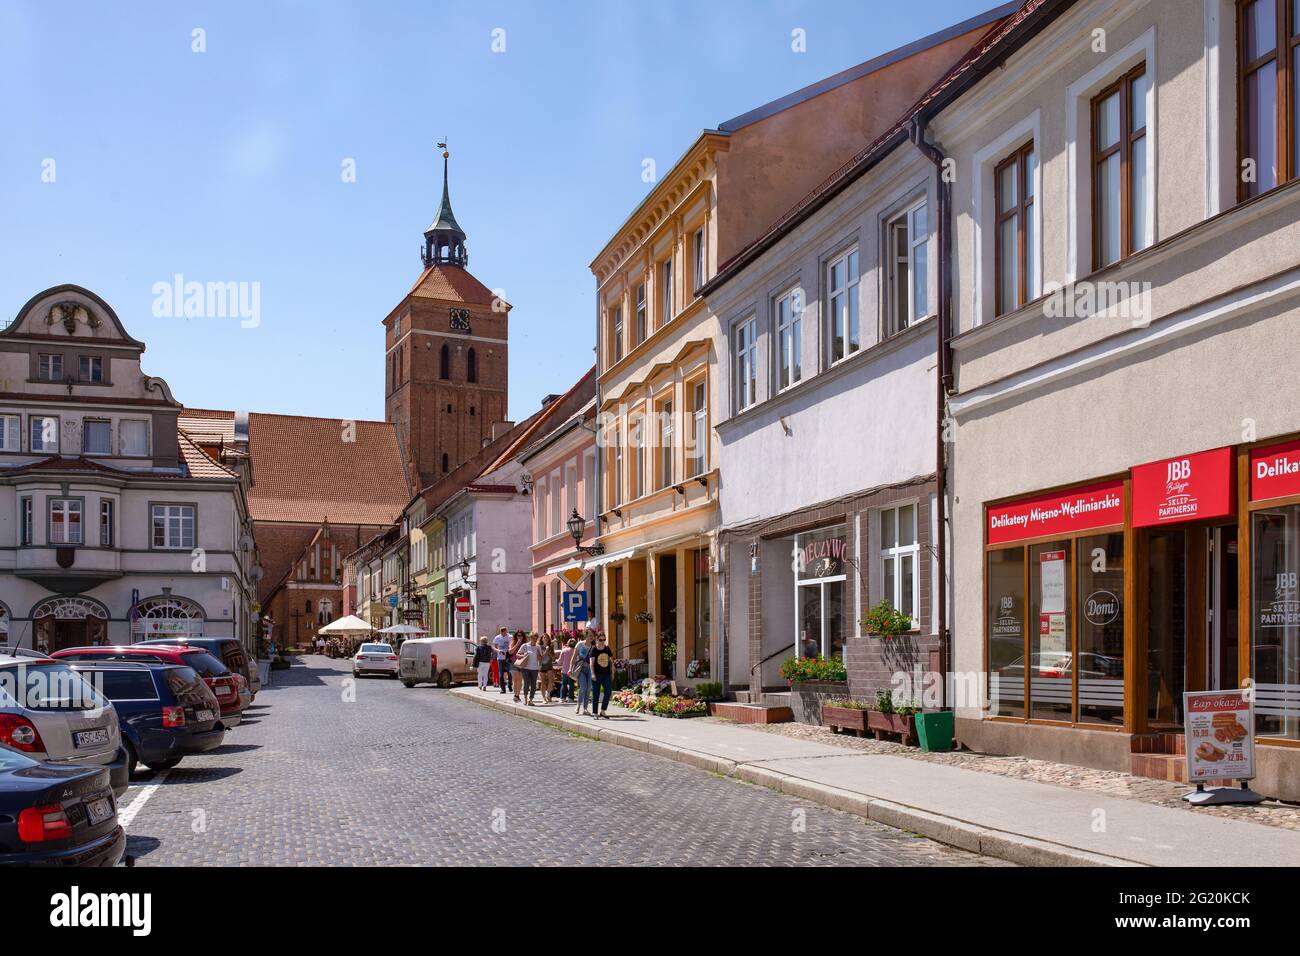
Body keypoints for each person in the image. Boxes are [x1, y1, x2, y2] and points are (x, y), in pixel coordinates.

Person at [590, 633, 615, 719]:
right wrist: (592, 674)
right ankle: (595, 713)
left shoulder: (607, 648)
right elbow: (591, 663)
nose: (602, 642)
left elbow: (612, 661)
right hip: (597, 674)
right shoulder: (594, 649)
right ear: (597, 640)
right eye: (601, 640)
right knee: (596, 694)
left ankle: (603, 711)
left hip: (607, 674)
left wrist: (613, 673)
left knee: (608, 692)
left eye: (604, 640)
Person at [514, 632, 540, 705]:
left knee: (533, 685)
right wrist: (523, 656)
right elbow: (517, 655)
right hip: (525, 668)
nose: (535, 639)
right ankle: (525, 698)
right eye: (533, 638)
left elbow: (540, 658)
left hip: (535, 668)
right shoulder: (525, 646)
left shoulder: (538, 647)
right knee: (526, 683)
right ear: (530, 638)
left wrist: (540, 655)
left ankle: (530, 700)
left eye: (536, 638)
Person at [573, 631, 595, 716]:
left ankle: (585, 709)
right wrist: (570, 668)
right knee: (583, 687)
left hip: (589, 669)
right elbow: (574, 657)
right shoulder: (580, 644)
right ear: (586, 636)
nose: (591, 637)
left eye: (592, 636)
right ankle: (578, 705)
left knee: (588, 688)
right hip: (581, 669)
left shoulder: (593, 647)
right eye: (590, 635)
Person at [492, 627, 512, 695]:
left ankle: (509, 685)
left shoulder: (510, 637)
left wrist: (510, 650)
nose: (505, 634)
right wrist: (499, 650)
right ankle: (503, 689)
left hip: (508, 657)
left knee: (510, 672)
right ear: (501, 632)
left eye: (505, 632)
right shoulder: (497, 637)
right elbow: (494, 647)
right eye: (503, 632)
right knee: (501, 674)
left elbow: (512, 645)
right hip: (500, 658)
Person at [557, 638, 577, 702]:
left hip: (565, 670)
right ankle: (571, 698)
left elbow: (560, 661)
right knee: (571, 684)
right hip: (572, 670)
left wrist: (556, 661)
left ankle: (562, 698)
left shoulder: (564, 650)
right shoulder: (576, 651)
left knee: (564, 684)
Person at [537, 635, 555, 703]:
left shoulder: (551, 647)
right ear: (542, 639)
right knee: (543, 682)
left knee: (551, 681)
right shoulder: (539, 647)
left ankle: (548, 694)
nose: (546, 639)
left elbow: (553, 658)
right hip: (541, 666)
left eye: (547, 638)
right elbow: (540, 657)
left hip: (549, 665)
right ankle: (544, 698)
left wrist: (549, 652)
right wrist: (546, 650)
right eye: (544, 638)